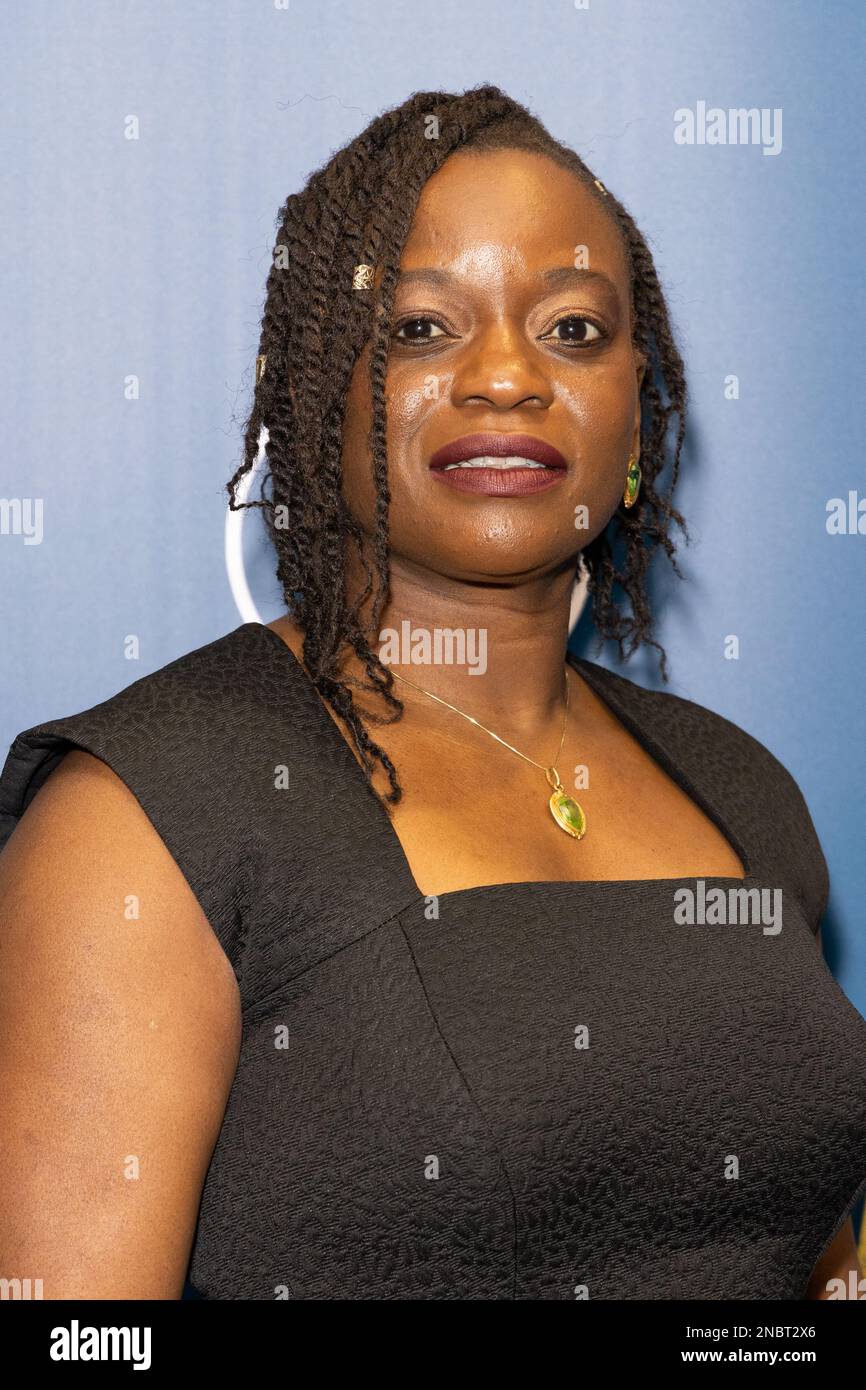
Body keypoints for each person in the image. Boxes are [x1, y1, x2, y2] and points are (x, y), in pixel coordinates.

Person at [1, 85, 864, 1301]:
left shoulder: (737, 787)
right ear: (311, 395)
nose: (506, 375)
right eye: (418, 328)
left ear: (637, 411)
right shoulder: (146, 813)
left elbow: (786, 1243)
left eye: (572, 329)